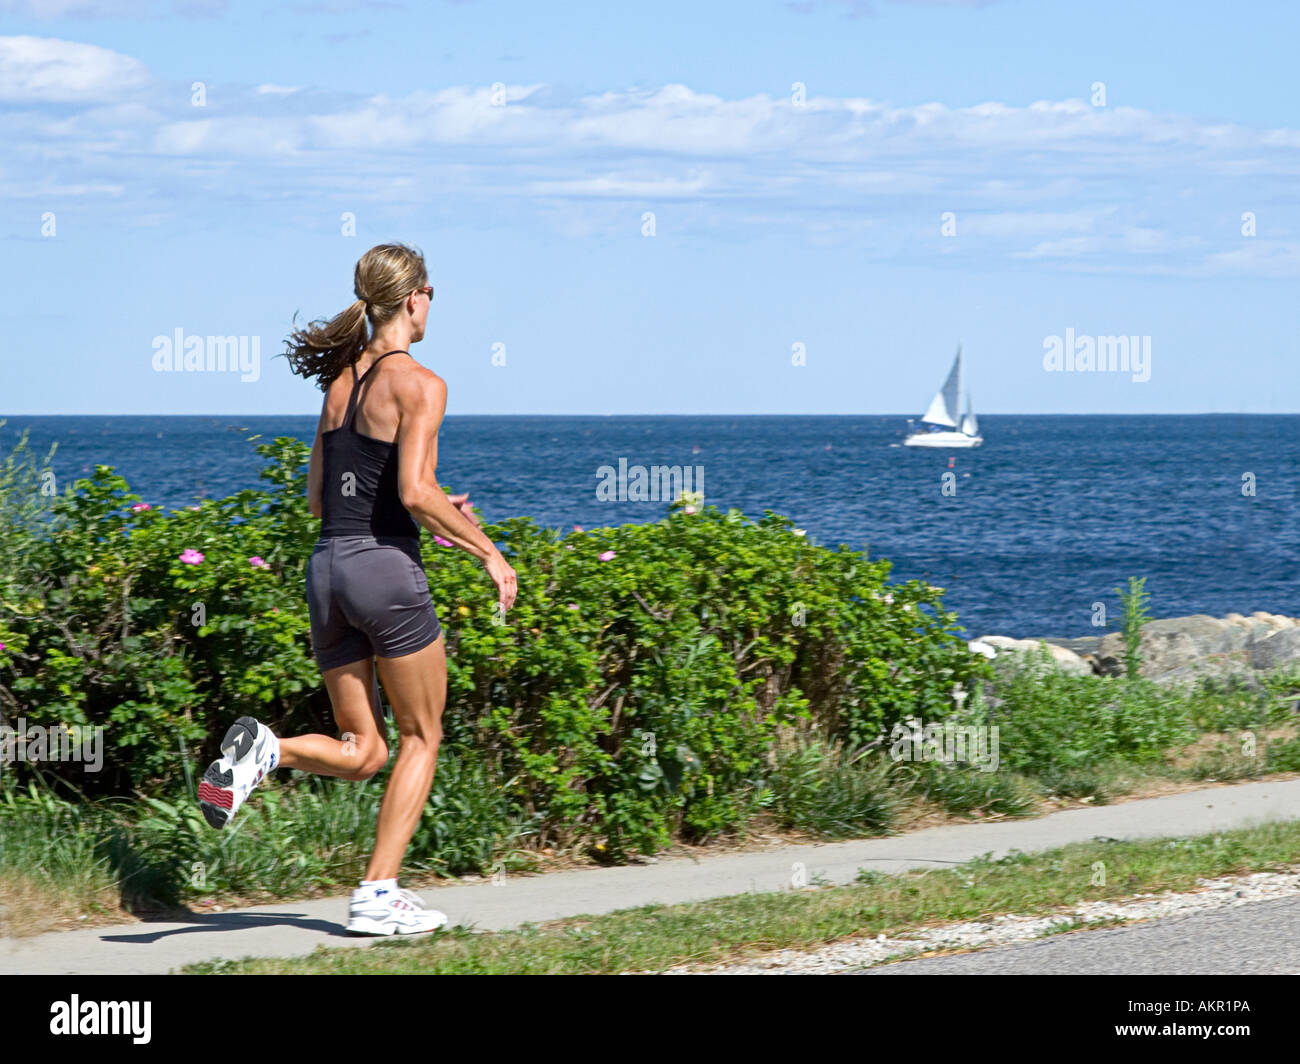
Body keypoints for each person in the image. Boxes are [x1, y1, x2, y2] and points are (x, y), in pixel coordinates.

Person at [197, 242, 517, 935]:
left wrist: (424, 512)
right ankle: (377, 894)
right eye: (434, 292)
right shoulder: (421, 384)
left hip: (327, 574)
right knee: (422, 737)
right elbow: (413, 489)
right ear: (414, 299)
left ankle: (268, 752)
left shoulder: (337, 383)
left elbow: (320, 498)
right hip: (384, 575)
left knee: (363, 749)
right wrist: (490, 553)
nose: (433, 304)